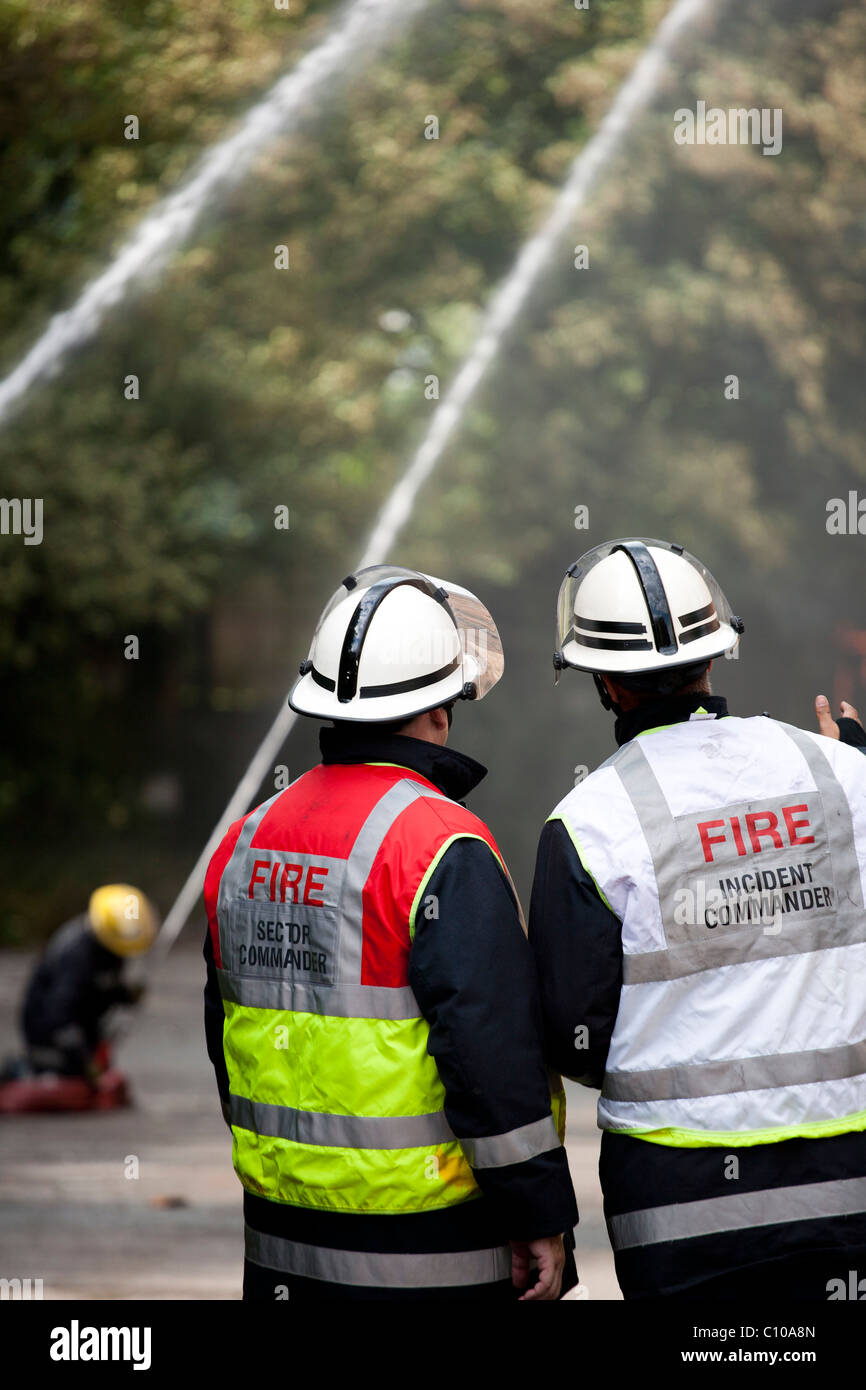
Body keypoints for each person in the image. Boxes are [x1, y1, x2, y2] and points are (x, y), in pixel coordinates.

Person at [203, 564, 578, 1301]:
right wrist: (536, 1211)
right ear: (440, 709)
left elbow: (224, 1034)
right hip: (426, 1250)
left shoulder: (245, 842)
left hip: (280, 1242)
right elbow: (487, 1052)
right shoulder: (440, 843)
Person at [529, 537, 866, 1300]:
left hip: (679, 1202)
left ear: (604, 683)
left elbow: (572, 1032)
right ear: (715, 654)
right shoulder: (839, 773)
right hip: (848, 1180)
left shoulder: (586, 822)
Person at [13, 884, 156, 1080]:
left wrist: (124, 994)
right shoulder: (78, 955)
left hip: (79, 1029)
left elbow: (96, 990)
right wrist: (84, 1059)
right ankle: (23, 1072)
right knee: (68, 1078)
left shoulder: (106, 948)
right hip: (48, 1040)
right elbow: (60, 1013)